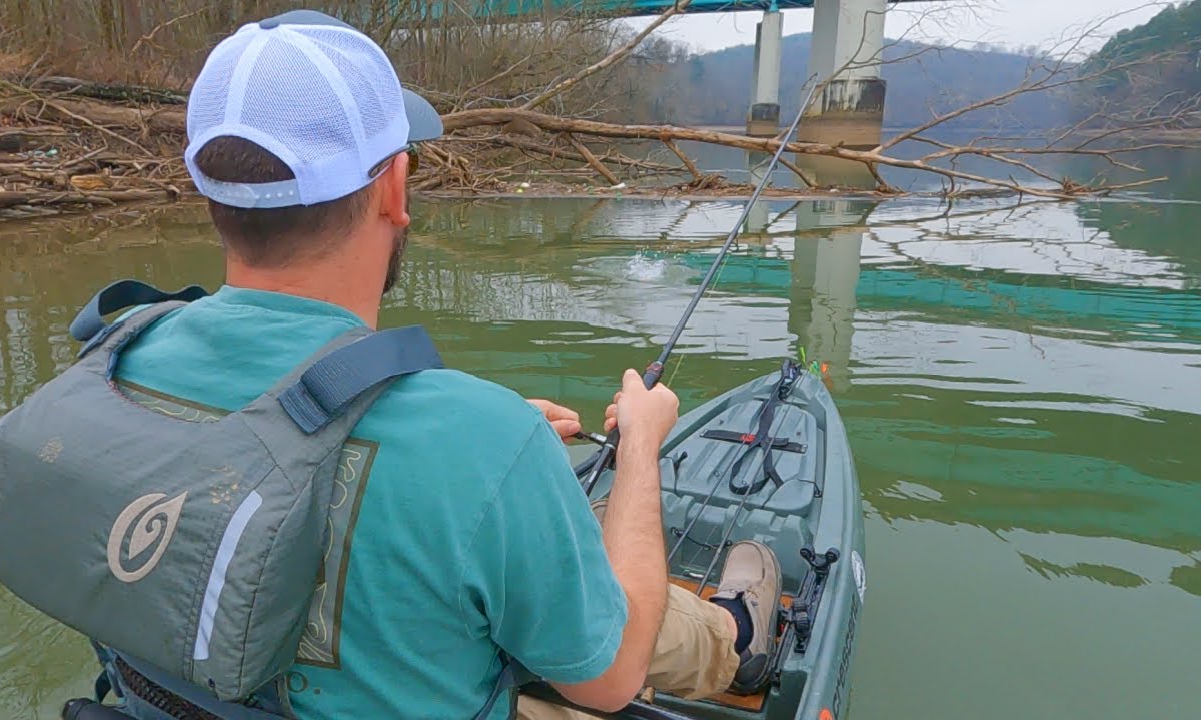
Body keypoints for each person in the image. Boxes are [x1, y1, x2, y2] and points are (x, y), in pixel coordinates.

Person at [63, 10, 782, 720]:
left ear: (209, 189)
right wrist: (640, 450)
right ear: (395, 188)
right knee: (608, 630)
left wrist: (485, 444)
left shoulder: (116, 356)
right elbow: (614, 681)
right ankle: (737, 636)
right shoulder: (480, 442)